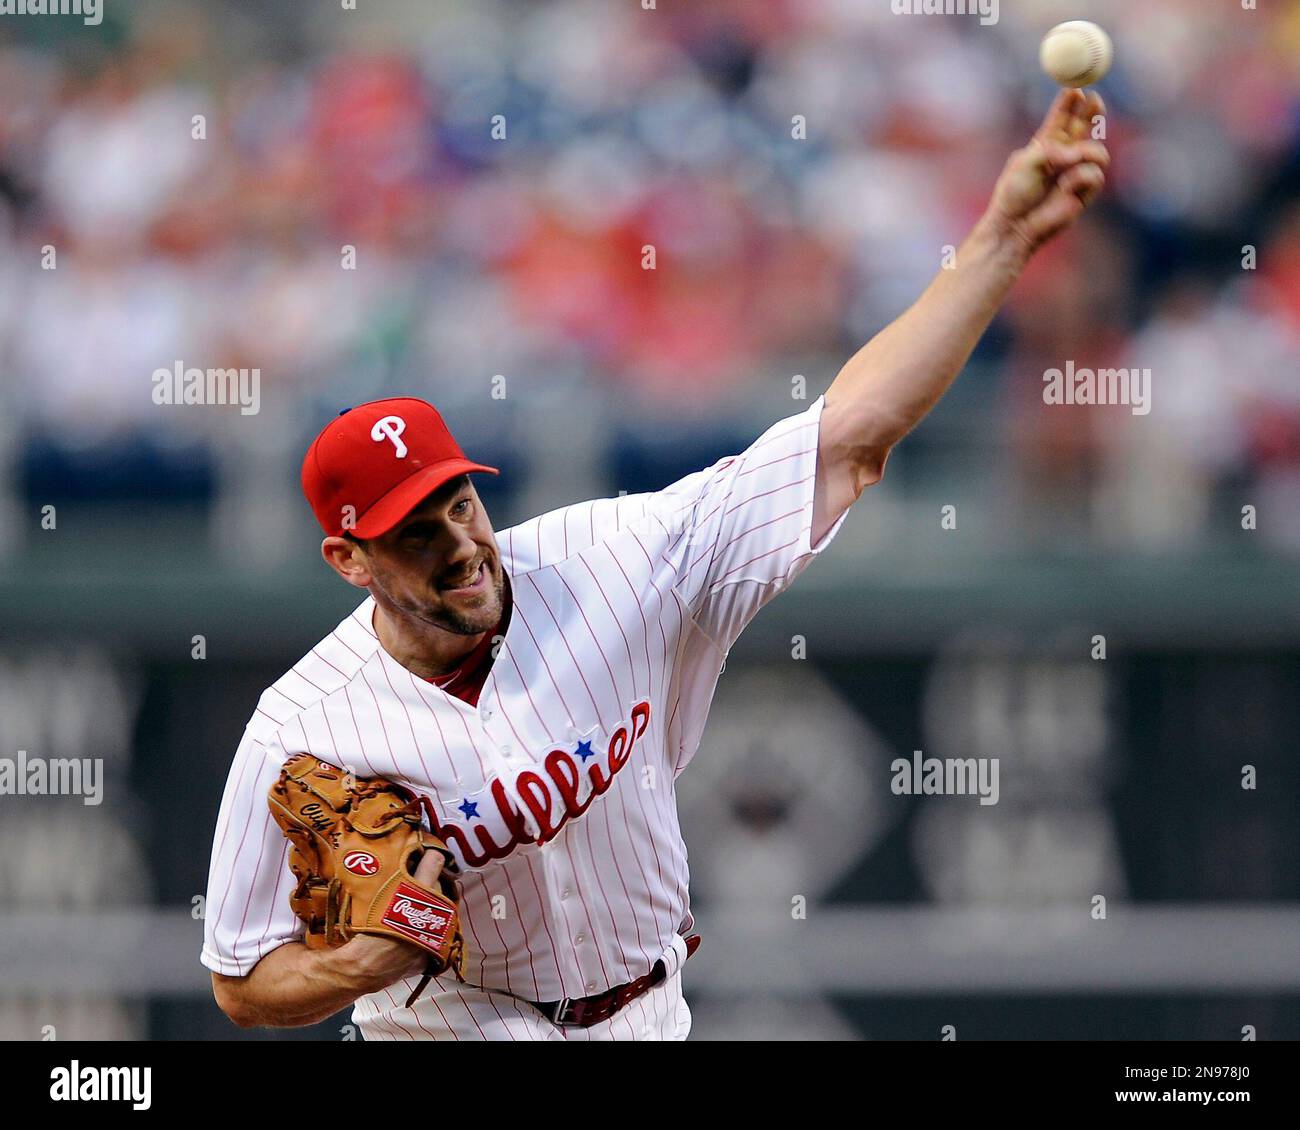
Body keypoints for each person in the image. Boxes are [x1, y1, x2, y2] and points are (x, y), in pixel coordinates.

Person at [202, 91, 1109, 1040]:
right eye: (414, 533)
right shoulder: (302, 727)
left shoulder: (620, 560)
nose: (461, 544)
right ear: (350, 559)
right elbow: (240, 978)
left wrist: (1004, 235)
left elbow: (850, 438)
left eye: (459, 504)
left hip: (645, 1015)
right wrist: (353, 966)